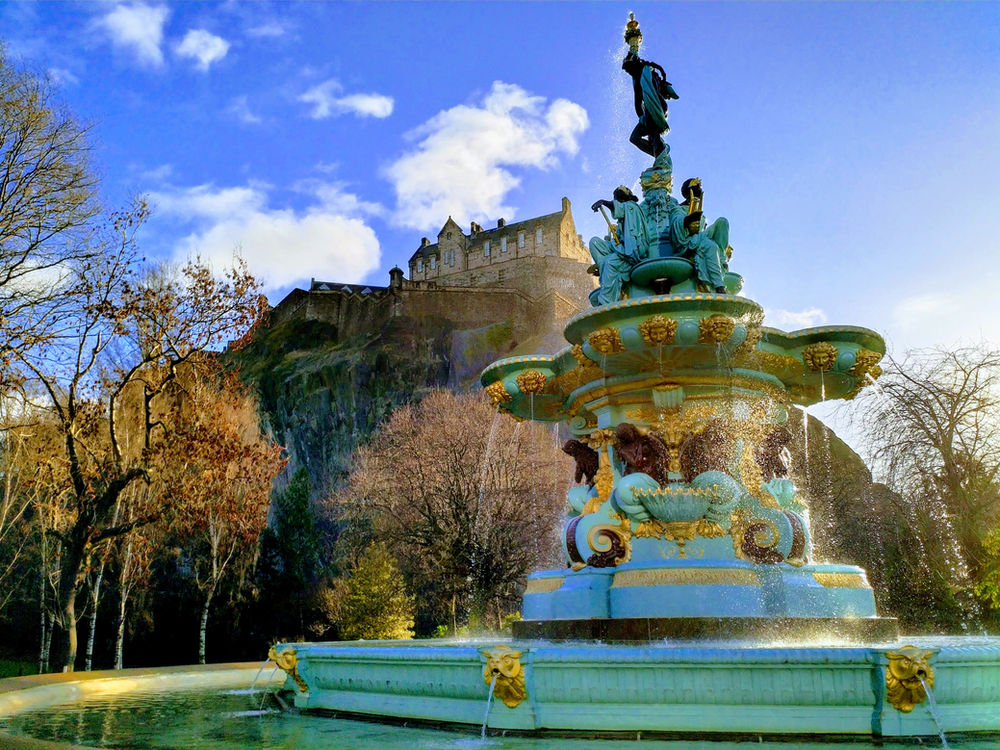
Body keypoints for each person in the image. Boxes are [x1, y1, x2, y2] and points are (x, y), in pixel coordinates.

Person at [588, 186, 650, 305]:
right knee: (594, 242)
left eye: (617, 199)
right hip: (621, 249)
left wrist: (603, 202)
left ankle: (606, 302)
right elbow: (619, 240)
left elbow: (620, 209)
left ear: (623, 199)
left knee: (610, 262)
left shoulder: (632, 207)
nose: (615, 201)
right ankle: (603, 270)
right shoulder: (624, 217)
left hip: (633, 251)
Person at [670, 180, 730, 293]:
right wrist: (687, 221)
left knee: (722, 222)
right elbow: (676, 223)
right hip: (686, 241)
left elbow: (701, 229)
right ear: (688, 192)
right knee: (710, 246)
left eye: (700, 187)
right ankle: (719, 286)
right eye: (696, 188)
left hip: (698, 236)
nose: (699, 190)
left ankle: (721, 259)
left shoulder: (699, 209)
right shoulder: (679, 208)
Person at [622, 50, 678, 158]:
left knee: (651, 134)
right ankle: (661, 157)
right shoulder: (649, 72)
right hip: (656, 106)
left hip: (653, 106)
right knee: (639, 137)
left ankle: (661, 157)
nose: (629, 72)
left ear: (634, 64)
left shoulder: (642, 74)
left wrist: (642, 116)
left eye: (629, 69)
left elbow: (638, 100)